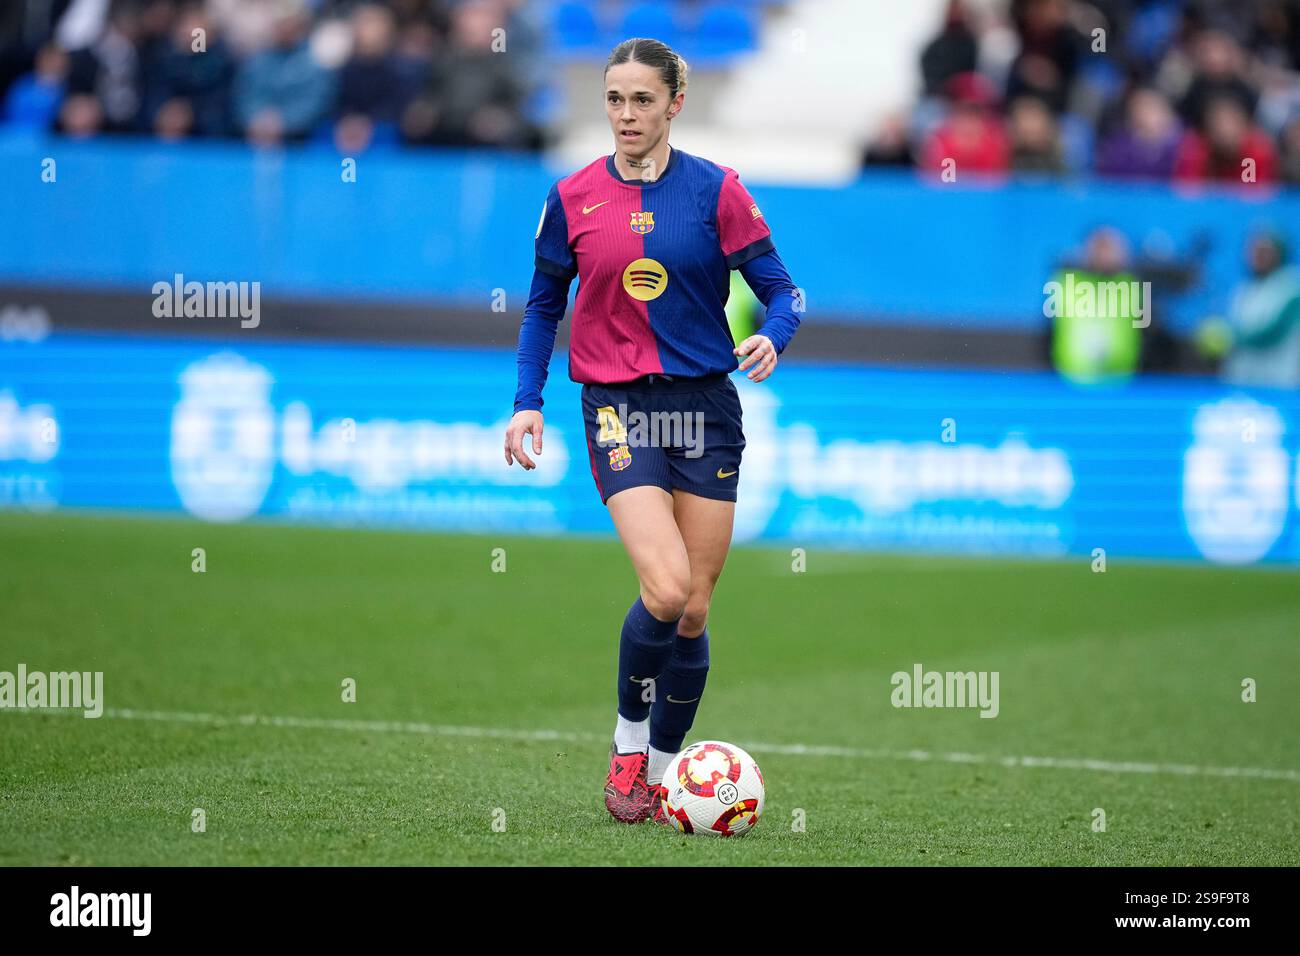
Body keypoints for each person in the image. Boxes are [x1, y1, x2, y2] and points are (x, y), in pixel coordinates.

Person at [503, 37, 802, 825]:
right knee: (663, 587)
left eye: (642, 99)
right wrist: (526, 399)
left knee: (695, 608)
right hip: (618, 406)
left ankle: (666, 772)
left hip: (705, 407)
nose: (627, 114)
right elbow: (542, 306)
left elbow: (783, 291)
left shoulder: (718, 192)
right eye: (614, 99)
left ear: (675, 103)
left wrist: (776, 333)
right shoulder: (570, 197)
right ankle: (628, 744)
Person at [1221, 231, 1300, 388]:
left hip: (1278, 383)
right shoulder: (1244, 290)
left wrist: (1231, 338)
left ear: (1279, 253)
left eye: (1265, 251)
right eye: (1254, 251)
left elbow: (1275, 332)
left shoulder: (1291, 286)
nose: (1258, 256)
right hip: (1241, 382)